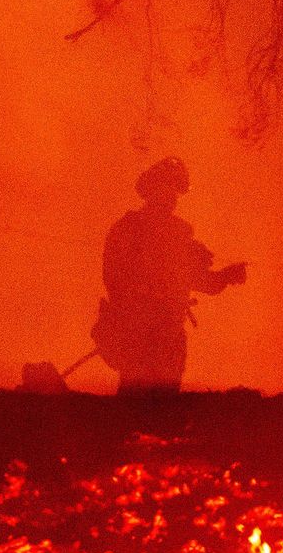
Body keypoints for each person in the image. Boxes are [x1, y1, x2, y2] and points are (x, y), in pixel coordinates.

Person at [93, 157, 246, 394]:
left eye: (174, 191)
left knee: (164, 403)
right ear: (150, 191)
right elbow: (113, 277)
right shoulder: (129, 229)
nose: (171, 197)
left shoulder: (178, 234)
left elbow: (199, 280)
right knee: (134, 400)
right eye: (165, 189)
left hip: (167, 338)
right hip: (138, 336)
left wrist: (226, 276)